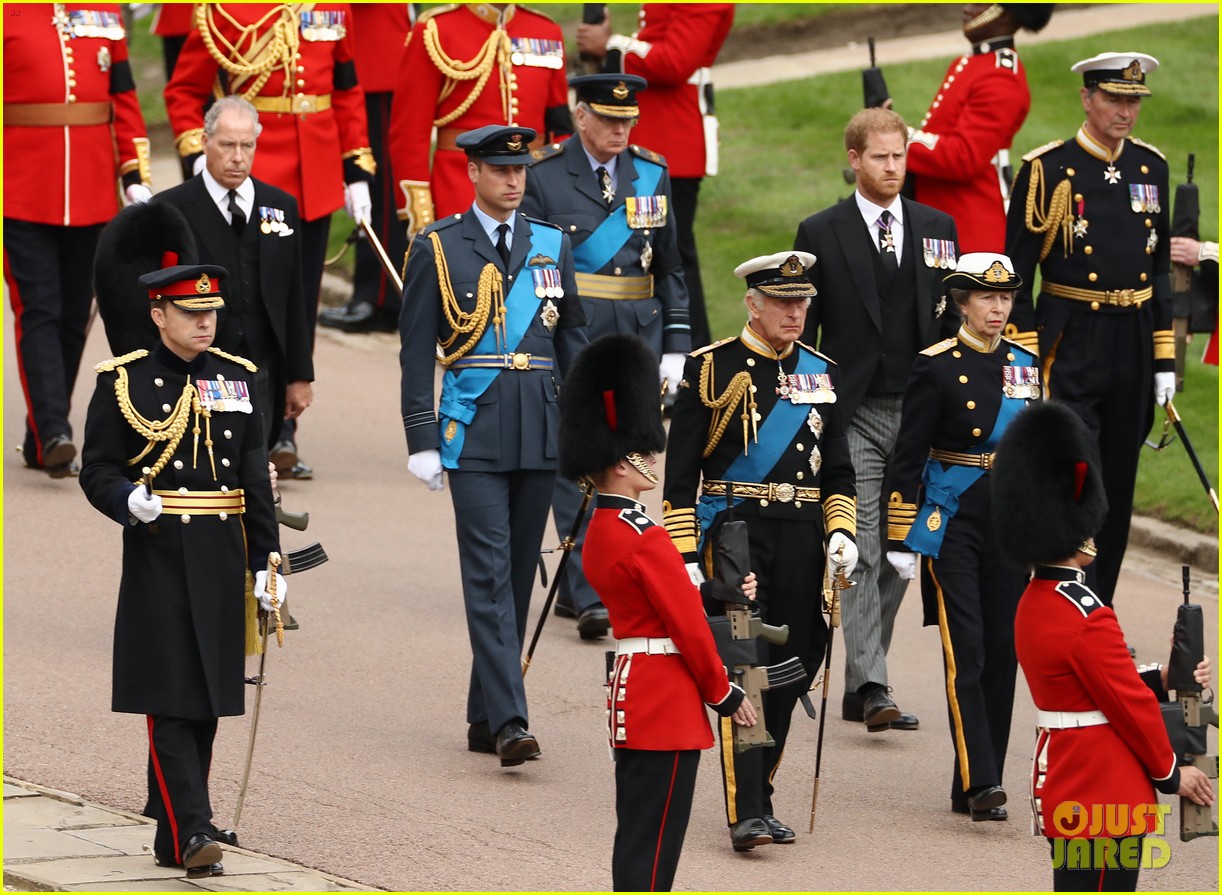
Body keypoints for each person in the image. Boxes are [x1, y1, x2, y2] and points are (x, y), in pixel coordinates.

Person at [79, 257, 280, 878]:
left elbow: (254, 481)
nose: (204, 323)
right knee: (170, 695)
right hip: (161, 547)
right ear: (158, 314)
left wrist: (268, 565)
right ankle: (194, 825)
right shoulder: (123, 382)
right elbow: (98, 470)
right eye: (191, 313)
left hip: (221, 551)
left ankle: (175, 832)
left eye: (211, 312)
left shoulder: (240, 380)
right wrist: (124, 501)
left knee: (209, 699)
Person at [399, 124, 587, 766]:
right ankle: (511, 721)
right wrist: (420, 436)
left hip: (540, 427)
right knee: (487, 574)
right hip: (472, 429)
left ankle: (483, 716)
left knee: (514, 582)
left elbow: (574, 345)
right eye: (502, 170)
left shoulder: (553, 245)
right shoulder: (439, 245)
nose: (515, 180)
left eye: (522, 170)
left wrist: (592, 433)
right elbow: (416, 350)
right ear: (474, 173)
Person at [663, 251, 857, 852]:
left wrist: (842, 532)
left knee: (793, 659)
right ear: (754, 303)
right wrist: (688, 556)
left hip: (802, 533)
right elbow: (679, 481)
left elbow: (840, 473)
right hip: (737, 536)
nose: (795, 312)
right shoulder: (711, 368)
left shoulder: (821, 372)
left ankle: (762, 791)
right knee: (748, 662)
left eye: (802, 302)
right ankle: (746, 808)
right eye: (783, 302)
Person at [558, 332, 757, 891]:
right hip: (667, 699)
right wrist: (723, 692)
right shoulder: (642, 534)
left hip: (636, 689)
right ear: (620, 463)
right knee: (655, 847)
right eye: (642, 453)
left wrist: (717, 590)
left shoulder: (604, 529)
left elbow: (663, 601)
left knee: (640, 835)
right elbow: (685, 626)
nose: (651, 458)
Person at [991, 400, 1214, 891]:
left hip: (1066, 775)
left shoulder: (1036, 600)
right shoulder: (1084, 611)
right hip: (1103, 788)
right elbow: (1126, 703)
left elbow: (1095, 685)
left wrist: (1162, 676)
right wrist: (1173, 773)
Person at [794, 107, 960, 732]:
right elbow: (803, 331)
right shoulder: (821, 230)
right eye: (881, 157)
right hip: (852, 411)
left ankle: (866, 675)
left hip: (919, 416)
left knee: (902, 549)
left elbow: (953, 322)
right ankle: (872, 682)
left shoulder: (937, 226)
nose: (894, 168)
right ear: (855, 160)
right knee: (861, 544)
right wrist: (801, 410)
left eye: (901, 156)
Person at [165, 1, 376, 477]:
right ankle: (228, 421)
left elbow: (345, 88)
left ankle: (284, 431)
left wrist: (356, 168)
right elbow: (183, 91)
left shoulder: (330, 8)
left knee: (298, 305)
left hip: (315, 171)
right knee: (246, 304)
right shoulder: (223, 11)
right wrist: (197, 157)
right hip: (253, 169)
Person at [523, 72, 691, 640]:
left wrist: (678, 343)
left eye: (628, 121)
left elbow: (670, 263)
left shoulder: (653, 171)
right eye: (610, 119)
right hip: (576, 329)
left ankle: (621, 577)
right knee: (581, 453)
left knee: (633, 458)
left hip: (639, 332)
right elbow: (539, 267)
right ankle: (586, 587)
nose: (621, 130)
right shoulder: (544, 174)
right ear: (581, 118)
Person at [1005, 52, 1172, 608]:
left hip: (1133, 340)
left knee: (1119, 483)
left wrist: (1165, 358)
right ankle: (1072, 599)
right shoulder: (1048, 170)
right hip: (1072, 338)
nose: (1125, 111)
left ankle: (1102, 605)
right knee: (1079, 474)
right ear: (1087, 98)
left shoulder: (1152, 167)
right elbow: (1017, 277)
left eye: (1133, 101)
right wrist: (1028, 362)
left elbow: (1161, 270)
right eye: (1114, 99)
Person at [884, 252, 1038, 821]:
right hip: (950, 523)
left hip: (1009, 525)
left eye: (1005, 298)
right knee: (966, 650)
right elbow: (908, 454)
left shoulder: (1025, 364)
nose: (997, 308)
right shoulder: (935, 365)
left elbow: (1036, 453)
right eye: (985, 297)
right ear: (961, 303)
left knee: (1003, 652)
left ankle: (975, 777)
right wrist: (901, 537)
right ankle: (983, 781)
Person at [3, 1, 153, 479]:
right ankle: (54, 428)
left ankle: (42, 436)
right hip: (21, 187)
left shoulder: (106, 13)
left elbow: (124, 99)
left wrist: (133, 171)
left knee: (73, 314)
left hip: (90, 189)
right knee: (40, 308)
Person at [154, 96, 314, 457]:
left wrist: (299, 375)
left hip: (262, 370)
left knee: (256, 477)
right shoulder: (170, 208)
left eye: (247, 145)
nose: (238, 157)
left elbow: (294, 297)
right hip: (196, 369)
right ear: (204, 142)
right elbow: (156, 299)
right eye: (227, 145)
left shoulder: (281, 206)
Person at [575, 3, 735, 347]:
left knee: (670, 255)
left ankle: (689, 353)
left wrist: (611, 46)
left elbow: (675, 61)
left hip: (672, 140)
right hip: (658, 135)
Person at [388, 3, 572, 236]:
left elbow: (560, 127)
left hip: (533, 192)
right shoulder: (435, 29)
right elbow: (409, 133)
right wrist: (419, 210)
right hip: (460, 190)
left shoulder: (546, 31)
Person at [904, 4, 1052, 255]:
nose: (966, 7)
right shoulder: (969, 63)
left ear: (1004, 13)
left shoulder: (1001, 77)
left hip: (969, 231)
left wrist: (897, 140)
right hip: (940, 224)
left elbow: (963, 157)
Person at [318, 2, 414, 334]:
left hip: (376, 56)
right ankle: (372, 292)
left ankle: (381, 297)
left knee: (379, 185)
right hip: (346, 46)